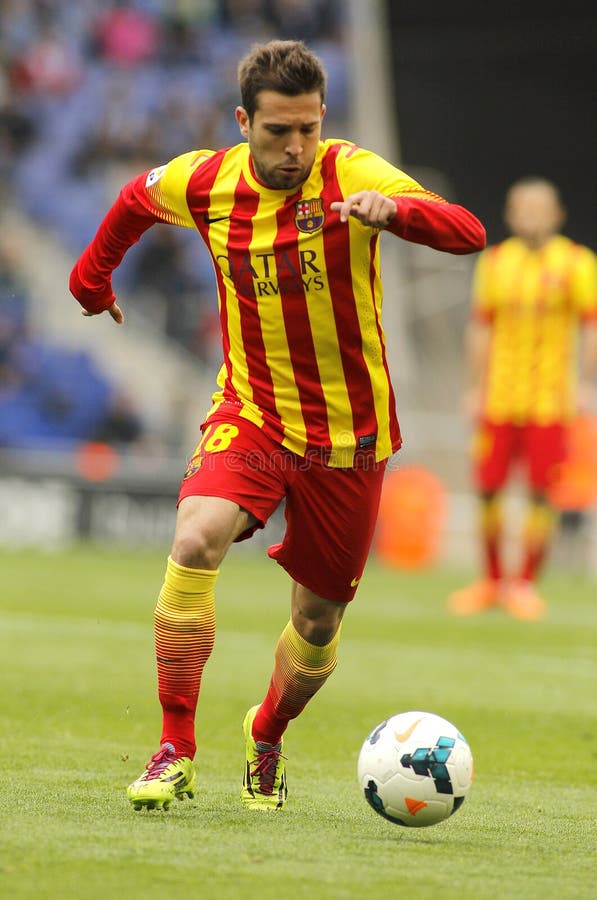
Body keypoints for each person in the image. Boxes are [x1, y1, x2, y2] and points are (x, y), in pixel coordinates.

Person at [70, 39, 485, 812]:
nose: (296, 148)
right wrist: (89, 281)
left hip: (349, 440)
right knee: (195, 537)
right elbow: (133, 200)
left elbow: (465, 231)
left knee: (318, 623)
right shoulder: (205, 181)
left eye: (309, 129)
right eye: (277, 132)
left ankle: (265, 734)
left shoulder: (351, 173)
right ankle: (174, 749)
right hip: (252, 412)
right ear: (242, 123)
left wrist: (396, 213)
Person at [448, 177, 597, 621]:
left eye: (540, 208)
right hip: (498, 397)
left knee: (540, 493)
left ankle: (525, 583)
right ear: (511, 214)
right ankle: (492, 581)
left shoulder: (578, 263)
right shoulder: (495, 263)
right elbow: (481, 327)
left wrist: (583, 382)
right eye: (523, 208)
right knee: (488, 489)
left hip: (551, 400)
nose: (531, 215)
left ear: (557, 215)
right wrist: (473, 387)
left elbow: (590, 327)